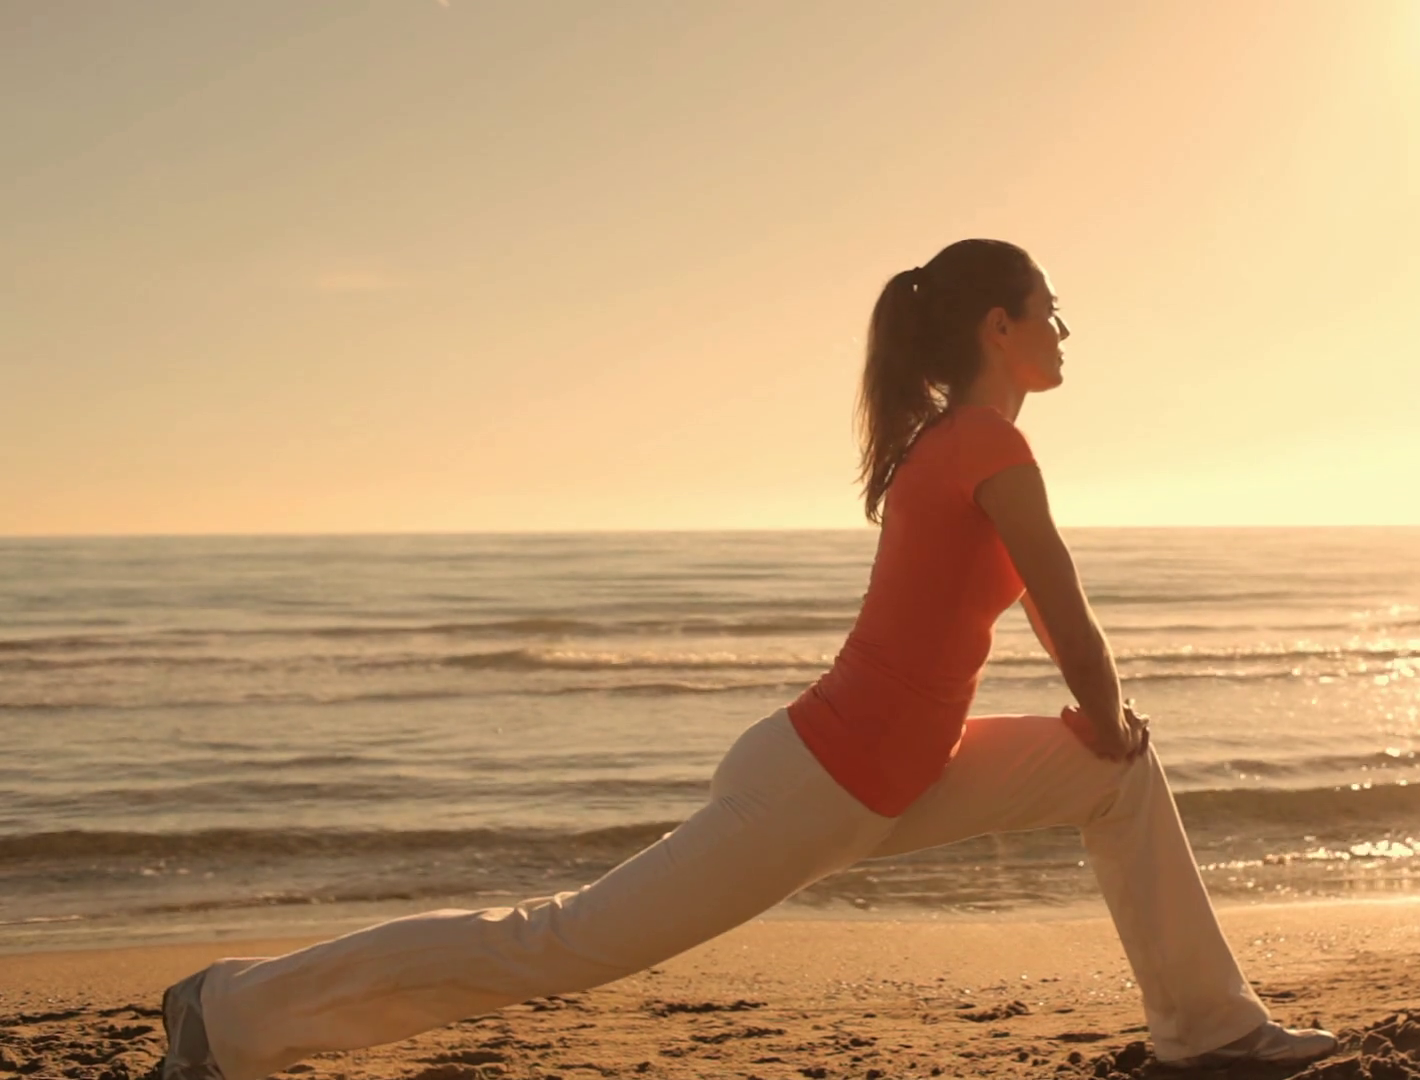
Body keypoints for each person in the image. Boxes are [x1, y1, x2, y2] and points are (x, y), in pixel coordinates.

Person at [158, 239, 1339, 1079]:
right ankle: (229, 1012)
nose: (1063, 332)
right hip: (818, 785)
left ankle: (1210, 1030)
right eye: (1051, 311)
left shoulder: (962, 443)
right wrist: (1104, 705)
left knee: (1118, 778)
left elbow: (1037, 608)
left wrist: (1107, 728)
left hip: (898, 775)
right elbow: (1067, 606)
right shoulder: (981, 442)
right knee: (556, 943)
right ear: (1000, 327)